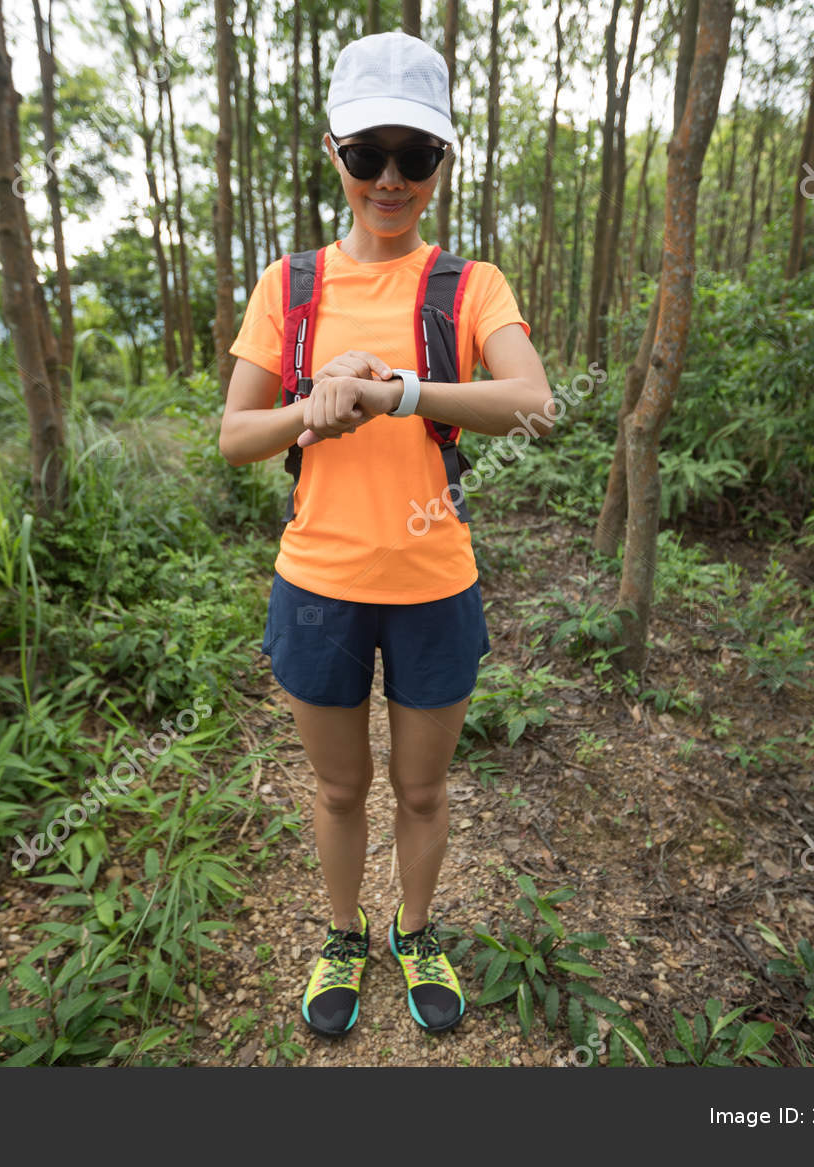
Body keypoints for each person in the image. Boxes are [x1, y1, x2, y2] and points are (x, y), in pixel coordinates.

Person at [219, 30, 551, 1039]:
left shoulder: (468, 286)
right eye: (368, 155)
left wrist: (399, 389)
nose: (390, 178)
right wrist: (313, 408)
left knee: (420, 789)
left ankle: (415, 930)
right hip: (316, 581)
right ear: (335, 155)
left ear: (442, 164)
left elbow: (534, 406)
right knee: (334, 786)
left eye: (416, 156)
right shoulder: (292, 288)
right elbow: (234, 437)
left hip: (433, 578)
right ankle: (339, 934)